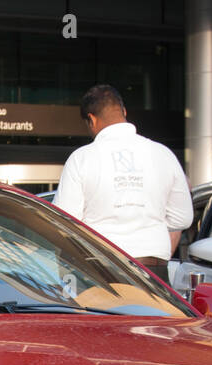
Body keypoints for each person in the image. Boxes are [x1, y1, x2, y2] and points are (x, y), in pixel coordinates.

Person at [54, 84, 192, 285]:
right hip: (154, 269)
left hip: (102, 269)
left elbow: (65, 221)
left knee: (111, 318)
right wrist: (148, 220)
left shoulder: (81, 159)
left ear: (91, 119)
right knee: (153, 318)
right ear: (124, 112)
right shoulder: (163, 154)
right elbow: (183, 218)